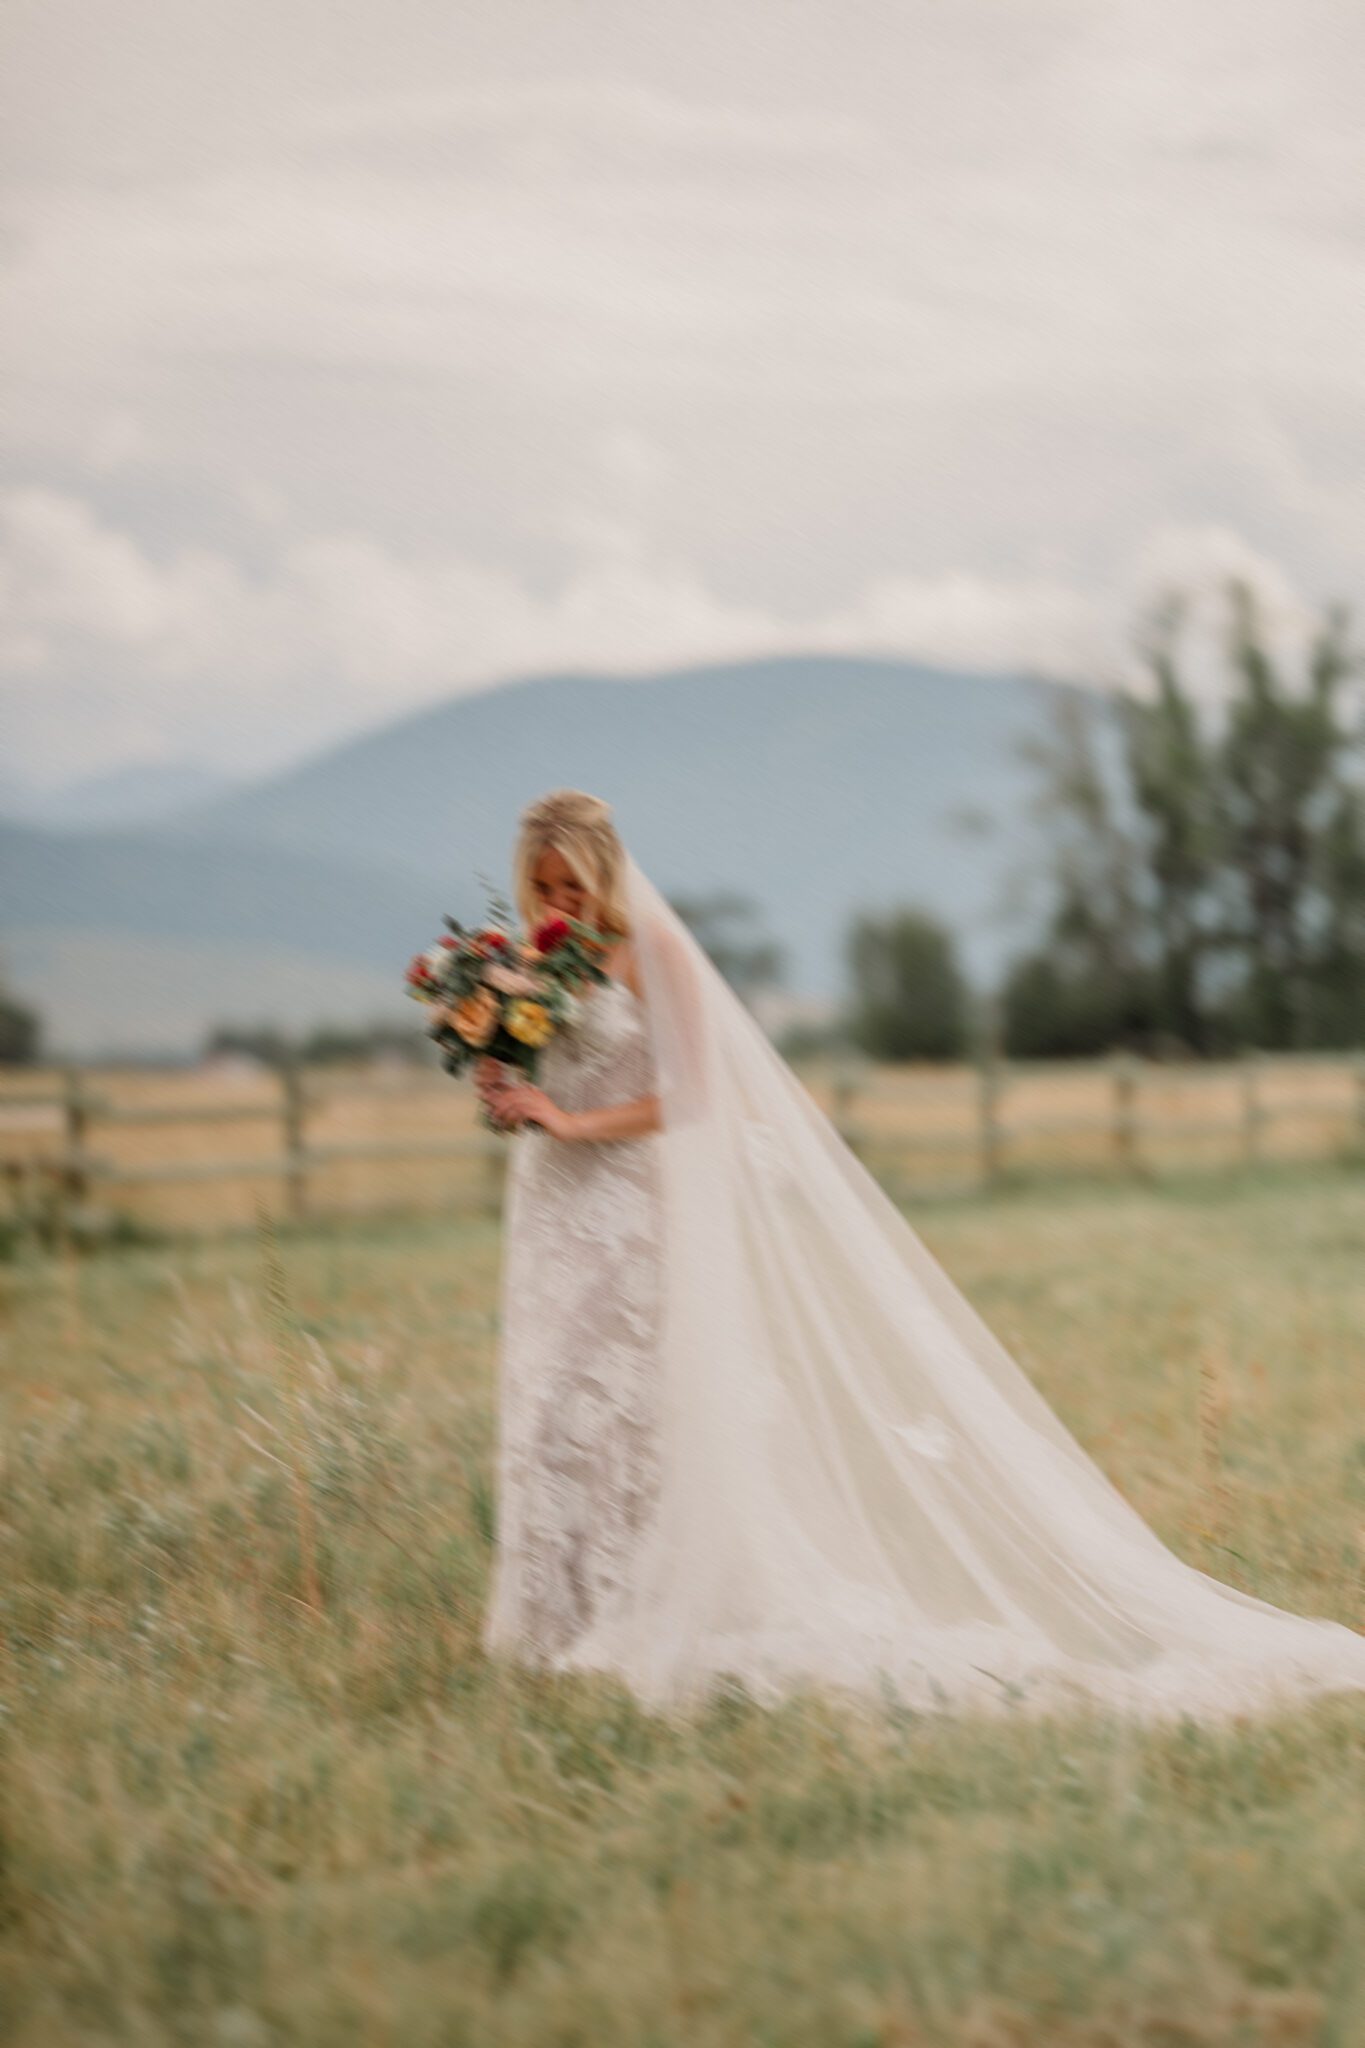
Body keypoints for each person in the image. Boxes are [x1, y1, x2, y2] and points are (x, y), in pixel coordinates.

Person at [460, 786, 1365, 1726]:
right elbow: (547, 1064)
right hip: (553, 1206)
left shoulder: (655, 953)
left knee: (622, 1409)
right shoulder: (530, 962)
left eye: (573, 882)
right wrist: (503, 1075)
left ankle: (638, 1609)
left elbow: (696, 1096)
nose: (559, 901)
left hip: (630, 1204)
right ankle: (554, 1622)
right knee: (549, 1400)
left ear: (607, 870)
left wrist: (573, 1119)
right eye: (543, 885)